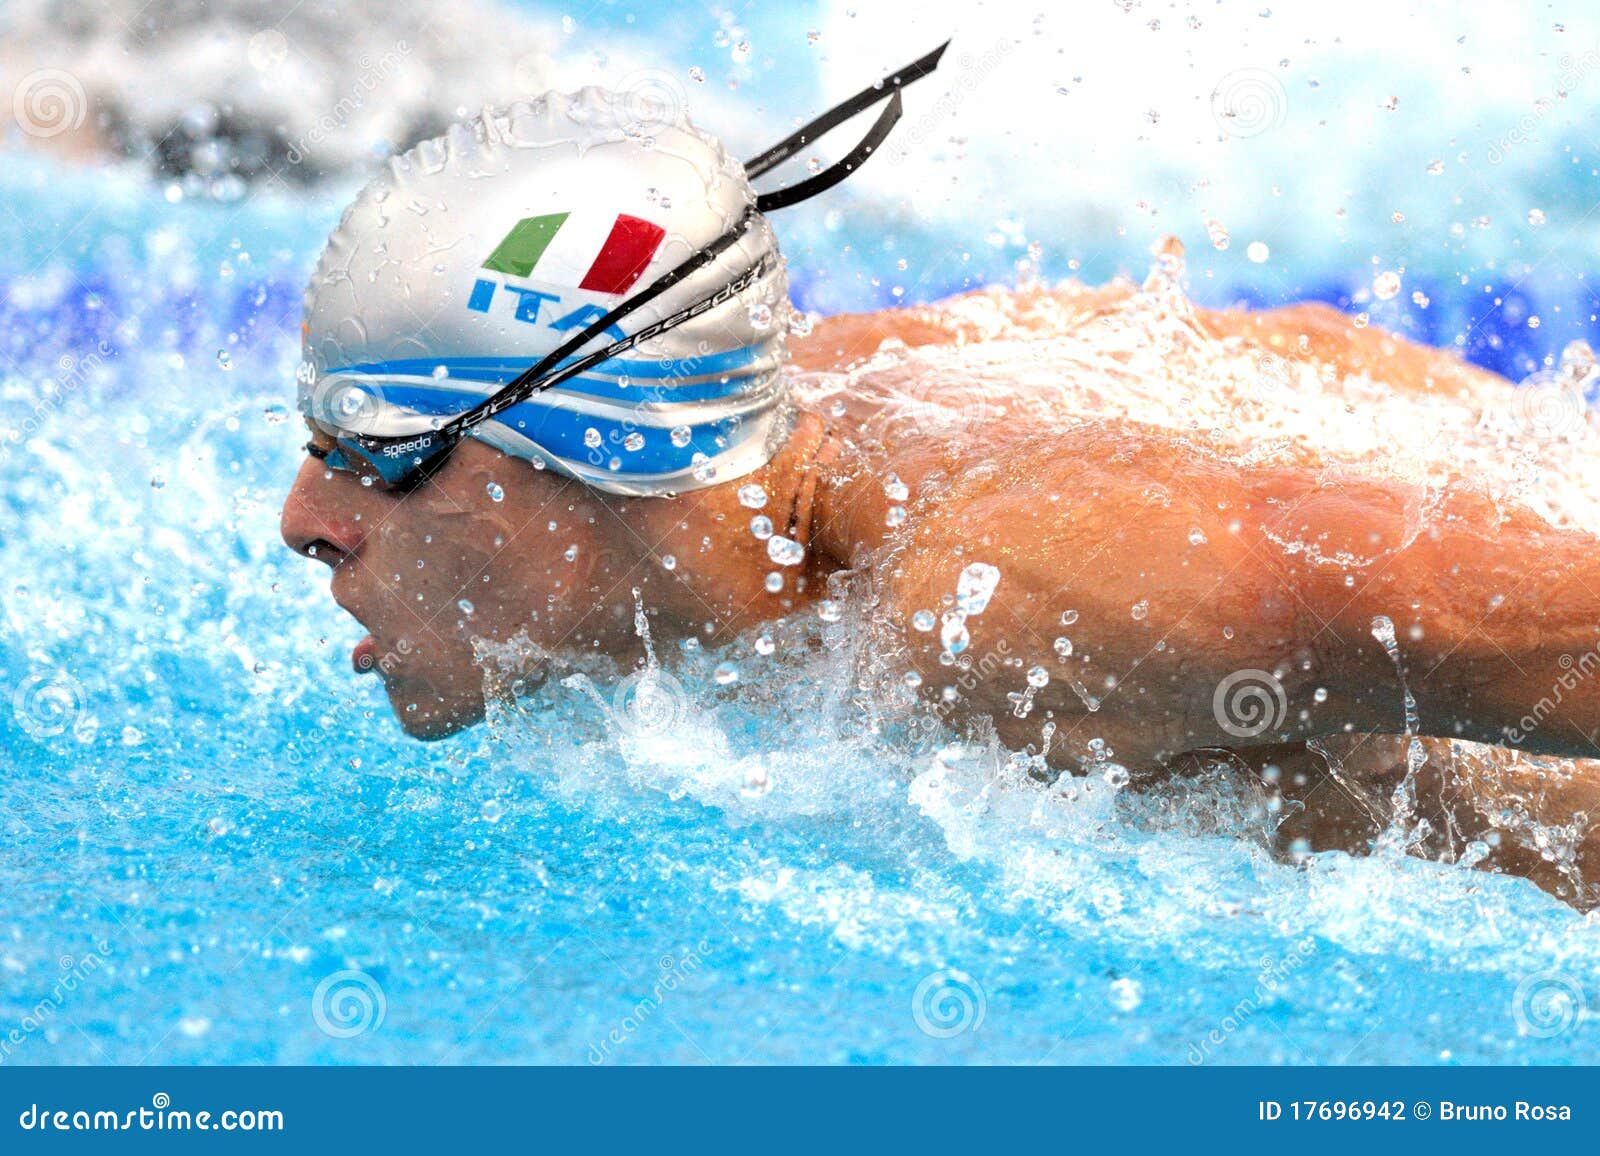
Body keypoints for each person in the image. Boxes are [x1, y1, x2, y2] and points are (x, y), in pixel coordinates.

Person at [279, 86, 1600, 906]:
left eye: (381, 452)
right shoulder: (811, 405)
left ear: (603, 442)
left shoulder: (1004, 603)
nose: (305, 521)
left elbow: (1452, 581)